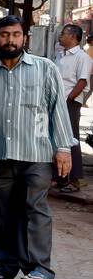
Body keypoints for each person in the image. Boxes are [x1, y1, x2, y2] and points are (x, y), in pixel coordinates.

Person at [0, 15, 73, 279]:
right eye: (4, 35)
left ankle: (40, 269)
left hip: (36, 154)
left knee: (35, 209)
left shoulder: (45, 69)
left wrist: (63, 149)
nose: (9, 40)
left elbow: (57, 110)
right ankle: (4, 264)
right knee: (0, 212)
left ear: (25, 38)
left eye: (15, 34)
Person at [54, 23, 91, 192]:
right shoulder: (60, 55)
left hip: (70, 103)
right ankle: (60, 177)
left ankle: (74, 179)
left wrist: (69, 98)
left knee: (71, 138)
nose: (60, 36)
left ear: (73, 37)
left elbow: (82, 81)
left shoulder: (83, 57)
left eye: (63, 34)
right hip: (57, 101)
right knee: (57, 138)